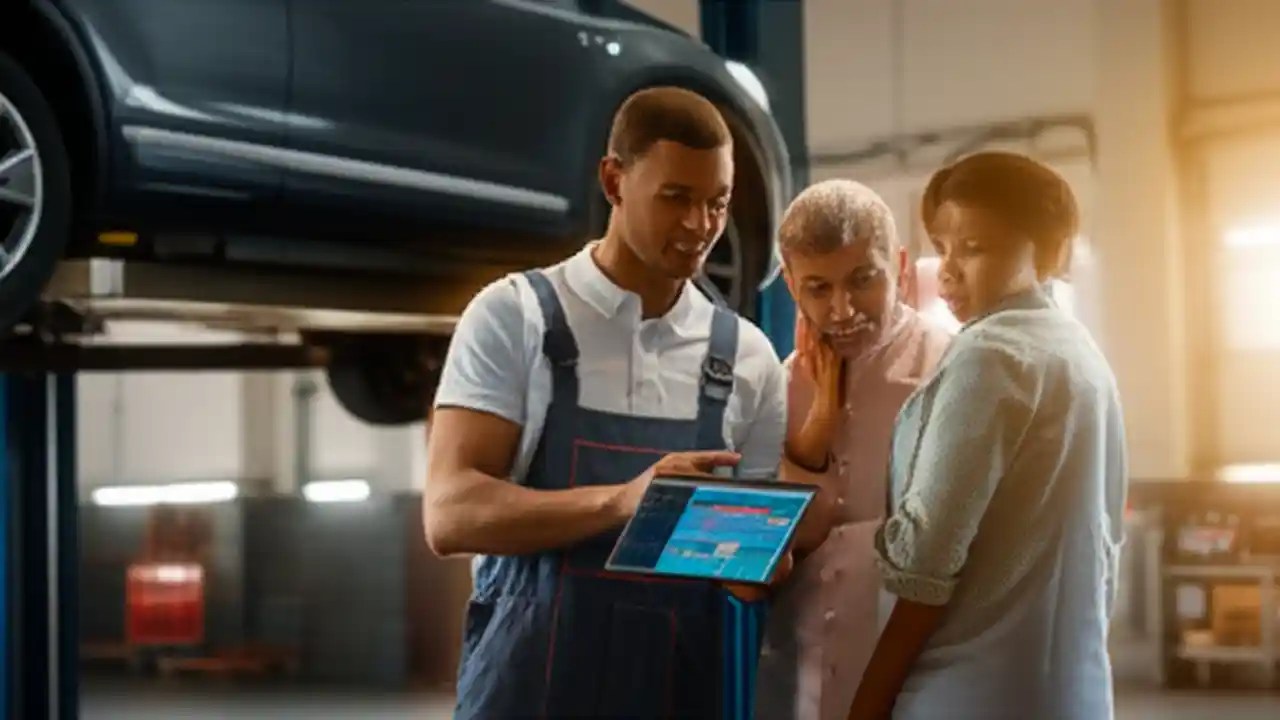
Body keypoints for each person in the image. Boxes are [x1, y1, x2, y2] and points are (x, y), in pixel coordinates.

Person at [422, 86, 788, 719]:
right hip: (527, 697)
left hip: (677, 696)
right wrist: (623, 502)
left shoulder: (748, 357)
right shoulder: (516, 318)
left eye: (717, 203)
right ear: (614, 181)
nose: (700, 226)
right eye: (676, 198)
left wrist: (765, 560)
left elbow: (752, 564)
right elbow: (450, 514)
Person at [848, 151, 1128, 720]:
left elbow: (925, 565)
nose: (948, 270)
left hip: (968, 693)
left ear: (1045, 254)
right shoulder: (1080, 353)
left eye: (976, 249)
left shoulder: (989, 356)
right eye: (941, 247)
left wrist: (867, 705)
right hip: (1071, 692)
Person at [753, 179, 953, 720]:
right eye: (818, 288)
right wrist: (817, 424)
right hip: (801, 677)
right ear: (790, 285)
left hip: (919, 683)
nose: (842, 310)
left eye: (863, 280)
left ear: (901, 267)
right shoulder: (778, 386)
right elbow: (765, 547)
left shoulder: (950, 369)